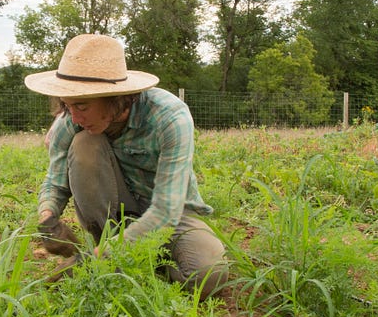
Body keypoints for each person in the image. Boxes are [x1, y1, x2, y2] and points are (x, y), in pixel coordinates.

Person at [24, 33, 228, 295]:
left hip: (173, 214)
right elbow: (55, 181)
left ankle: (124, 260)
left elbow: (166, 210)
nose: (73, 116)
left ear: (115, 97)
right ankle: (109, 251)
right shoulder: (71, 119)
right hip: (115, 217)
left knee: (209, 276)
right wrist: (47, 217)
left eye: (83, 106)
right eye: (67, 105)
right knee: (84, 143)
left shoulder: (169, 117)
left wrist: (95, 259)